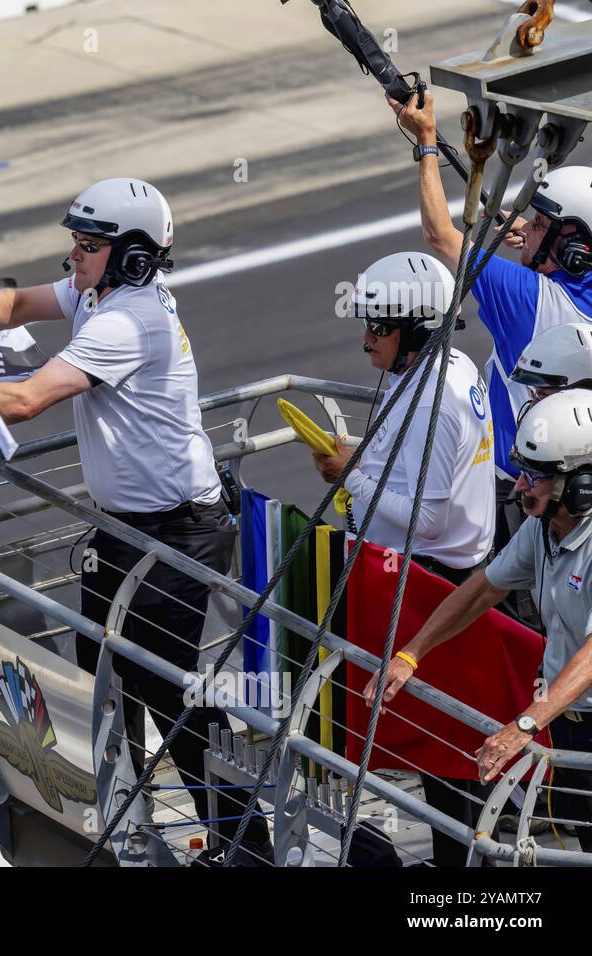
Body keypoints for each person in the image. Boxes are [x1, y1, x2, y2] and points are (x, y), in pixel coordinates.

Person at [0, 177, 272, 864]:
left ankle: (241, 843)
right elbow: (18, 301)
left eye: (89, 246)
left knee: (167, 690)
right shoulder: (98, 293)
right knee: (100, 670)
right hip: (127, 527)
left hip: (180, 529)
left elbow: (27, 400)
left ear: (134, 258)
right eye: (75, 242)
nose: (74, 257)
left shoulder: (127, 322)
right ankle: (138, 816)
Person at [310, 250, 494, 866]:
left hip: (434, 586)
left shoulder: (433, 398)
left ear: (415, 331)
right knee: (441, 749)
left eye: (379, 327)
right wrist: (359, 458)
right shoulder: (442, 367)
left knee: (444, 751)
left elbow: (428, 516)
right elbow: (409, 464)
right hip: (441, 576)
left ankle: (459, 884)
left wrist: (348, 477)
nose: (366, 338)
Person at [393, 92, 592, 628]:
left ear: (573, 247)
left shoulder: (531, 301)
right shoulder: (566, 294)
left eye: (539, 222)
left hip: (523, 496)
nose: (523, 226)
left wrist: (427, 145)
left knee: (523, 633)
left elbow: (440, 235)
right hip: (576, 491)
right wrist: (533, 236)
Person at [369, 389, 592, 852]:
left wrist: (523, 726)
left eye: (536, 475)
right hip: (569, 723)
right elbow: (483, 589)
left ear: (581, 486)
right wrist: (411, 653)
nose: (519, 486)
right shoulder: (544, 528)